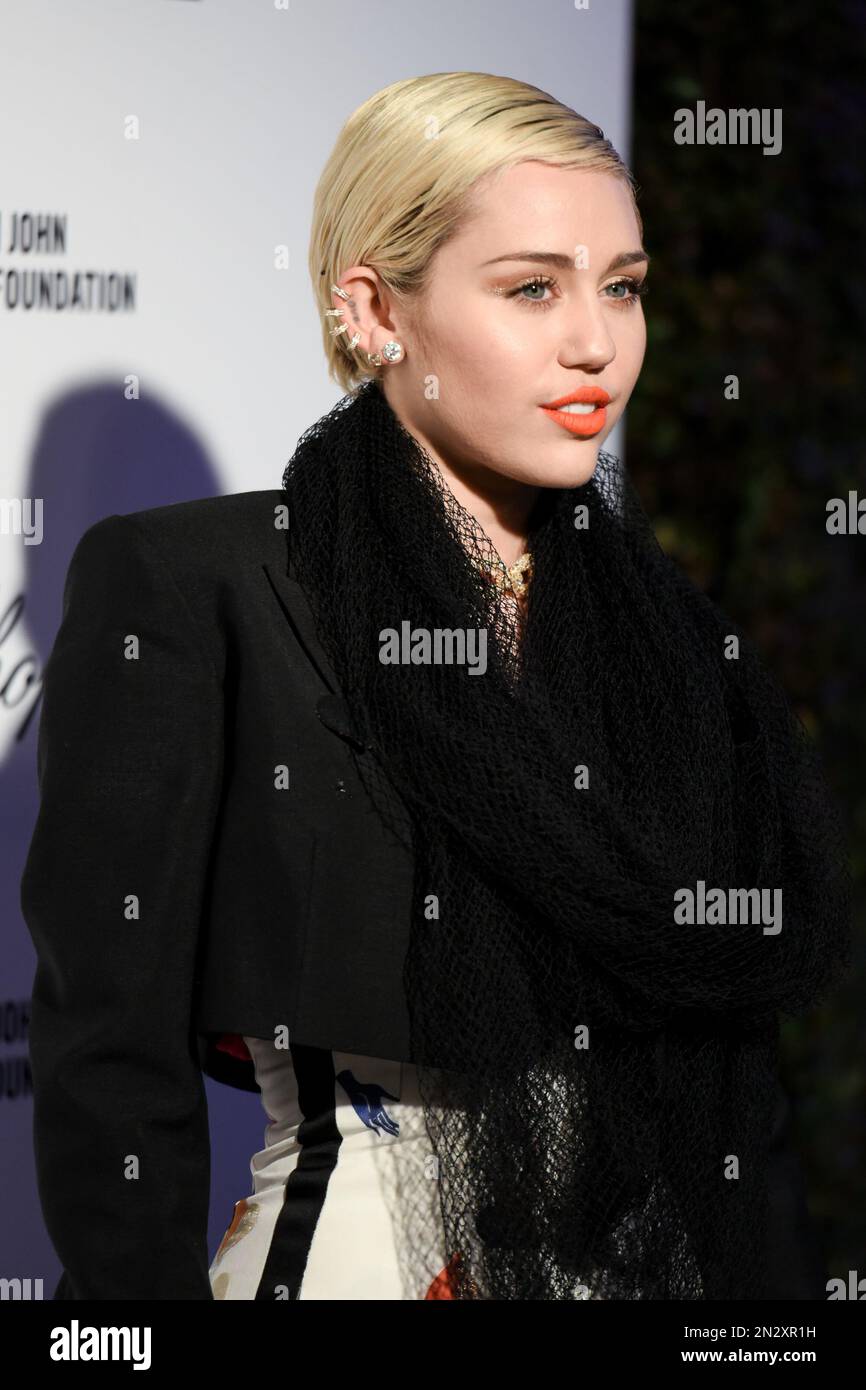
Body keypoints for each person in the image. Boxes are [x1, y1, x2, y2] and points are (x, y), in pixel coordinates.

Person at [21, 71, 851, 1301]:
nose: (596, 343)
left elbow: (735, 1081)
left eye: (621, 288)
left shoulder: (669, 640)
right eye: (531, 288)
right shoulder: (199, 584)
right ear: (373, 309)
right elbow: (108, 1049)